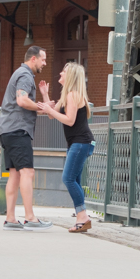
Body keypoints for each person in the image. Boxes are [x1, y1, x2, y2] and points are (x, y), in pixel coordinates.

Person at [0, 46, 53, 231]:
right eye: (43, 59)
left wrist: (43, 102)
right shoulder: (25, 75)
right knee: (27, 172)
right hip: (17, 130)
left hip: (7, 130)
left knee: (14, 174)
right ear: (33, 59)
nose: (45, 63)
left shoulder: (20, 73)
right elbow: (21, 100)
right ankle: (30, 218)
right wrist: (41, 107)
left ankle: (11, 219)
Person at [38, 61, 94, 232]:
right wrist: (45, 96)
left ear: (71, 76)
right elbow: (52, 115)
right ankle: (81, 217)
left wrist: (49, 110)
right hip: (77, 143)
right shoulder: (67, 95)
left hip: (81, 142)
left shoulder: (73, 95)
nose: (61, 73)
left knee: (68, 179)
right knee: (74, 180)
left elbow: (69, 120)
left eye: (64, 71)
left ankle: (83, 216)